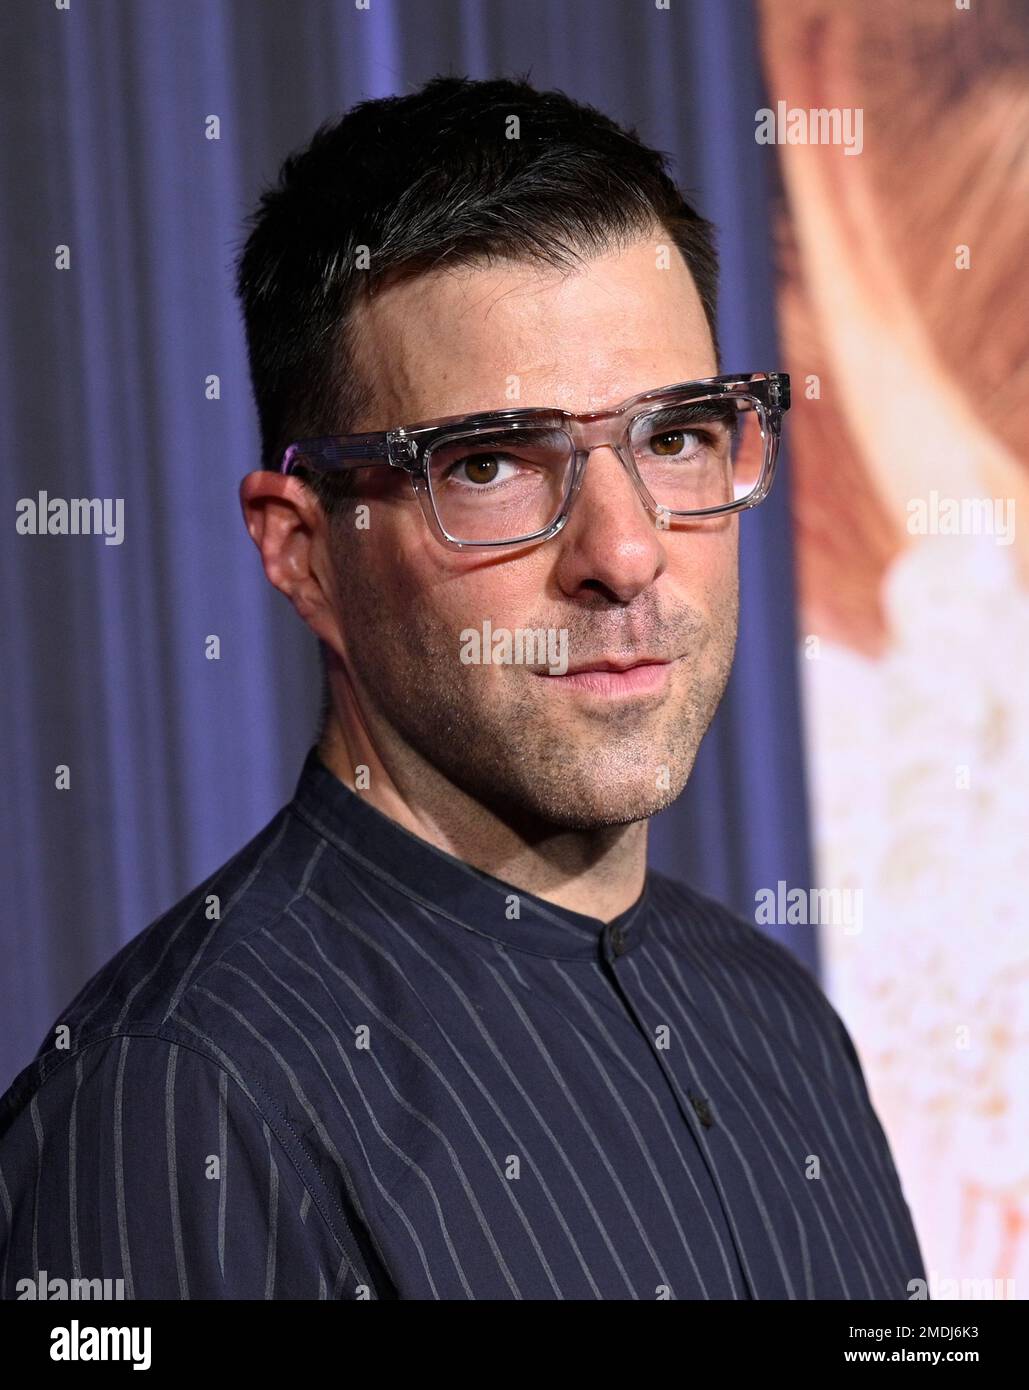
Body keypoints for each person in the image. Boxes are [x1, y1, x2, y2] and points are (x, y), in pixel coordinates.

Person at [0, 75, 925, 1300]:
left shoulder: (779, 1023)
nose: (625, 553)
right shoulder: (183, 1101)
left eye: (675, 438)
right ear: (304, 549)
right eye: (491, 464)